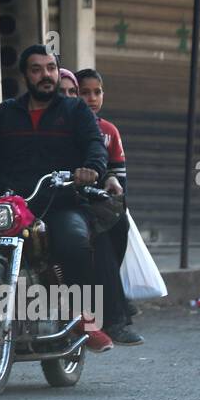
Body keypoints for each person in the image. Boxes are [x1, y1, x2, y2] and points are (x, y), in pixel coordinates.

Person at [0, 45, 113, 352]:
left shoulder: (75, 111)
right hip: (10, 202)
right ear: (25, 75)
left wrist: (92, 169)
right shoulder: (6, 113)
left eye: (51, 68)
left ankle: (83, 315)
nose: (46, 75)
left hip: (59, 201)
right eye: (37, 69)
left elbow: (94, 145)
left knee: (74, 240)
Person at [75, 68, 143, 345]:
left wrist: (110, 181)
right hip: (66, 200)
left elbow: (119, 174)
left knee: (118, 223)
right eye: (84, 92)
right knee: (98, 238)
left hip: (98, 200)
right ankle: (114, 313)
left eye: (97, 92)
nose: (91, 98)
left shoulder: (108, 131)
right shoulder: (64, 128)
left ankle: (116, 296)